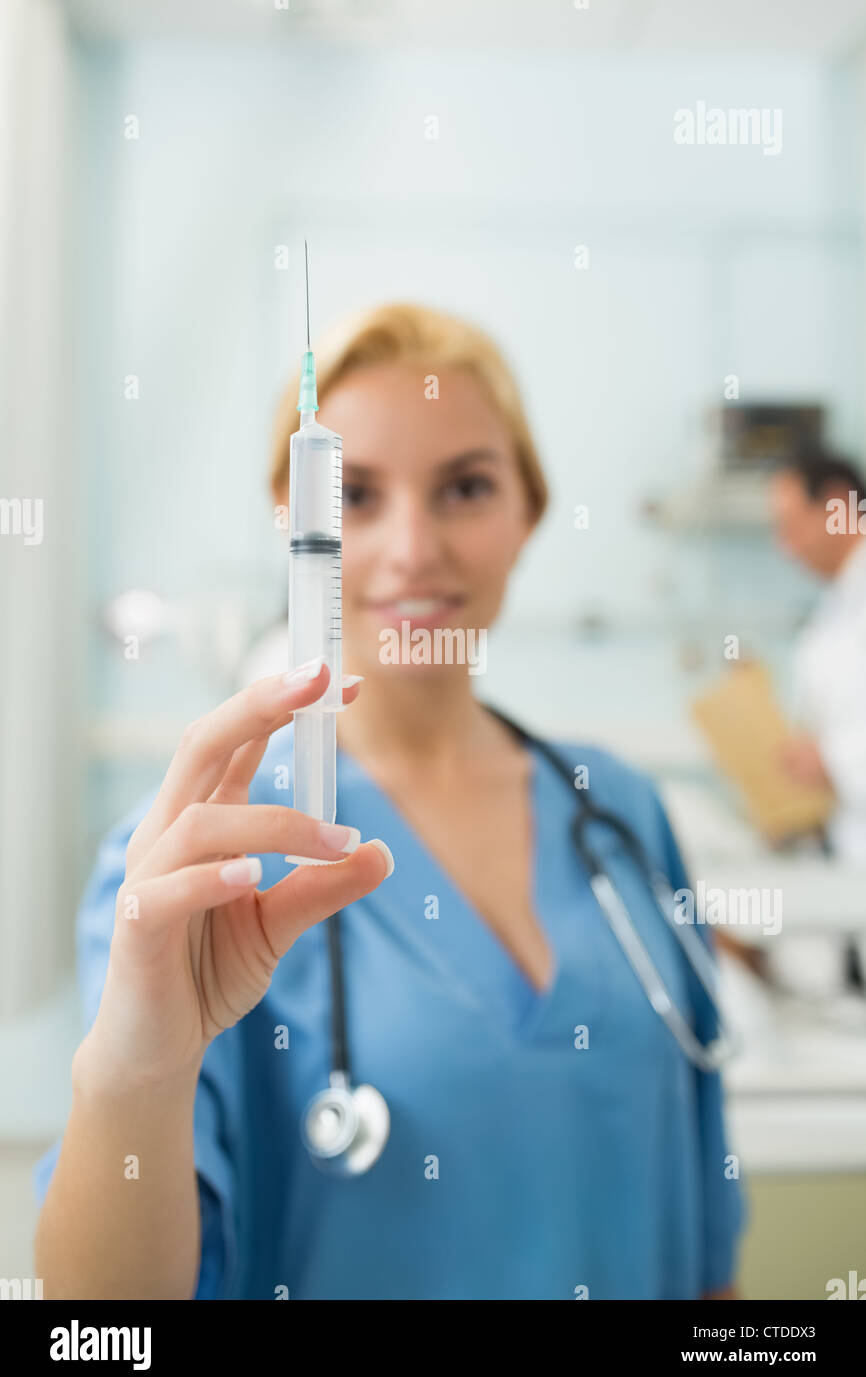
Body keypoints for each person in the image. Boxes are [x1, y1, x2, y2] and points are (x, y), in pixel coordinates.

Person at [33, 303, 745, 1300]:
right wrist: (130, 1077)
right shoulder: (194, 862)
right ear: (295, 519)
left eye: (463, 487)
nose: (412, 548)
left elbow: (705, 1249)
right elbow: (103, 1322)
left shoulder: (618, 809)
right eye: (355, 496)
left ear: (525, 512)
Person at [768, 450, 866, 866]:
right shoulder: (834, 609)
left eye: (792, 525)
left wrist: (832, 760)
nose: (786, 547)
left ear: (838, 506)